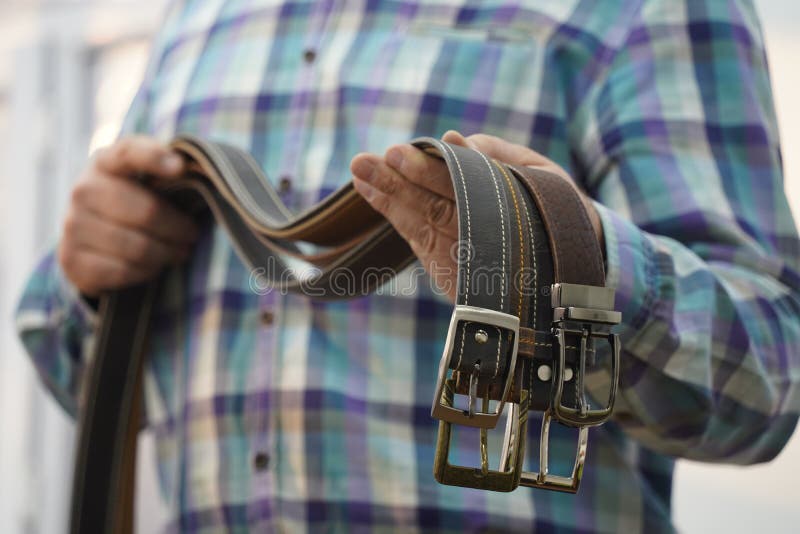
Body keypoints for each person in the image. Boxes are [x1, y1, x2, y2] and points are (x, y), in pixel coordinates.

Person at [16, 0, 800, 531]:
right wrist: (86, 281)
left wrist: (571, 264)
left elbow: (767, 379)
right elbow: (88, 378)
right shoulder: (201, 16)